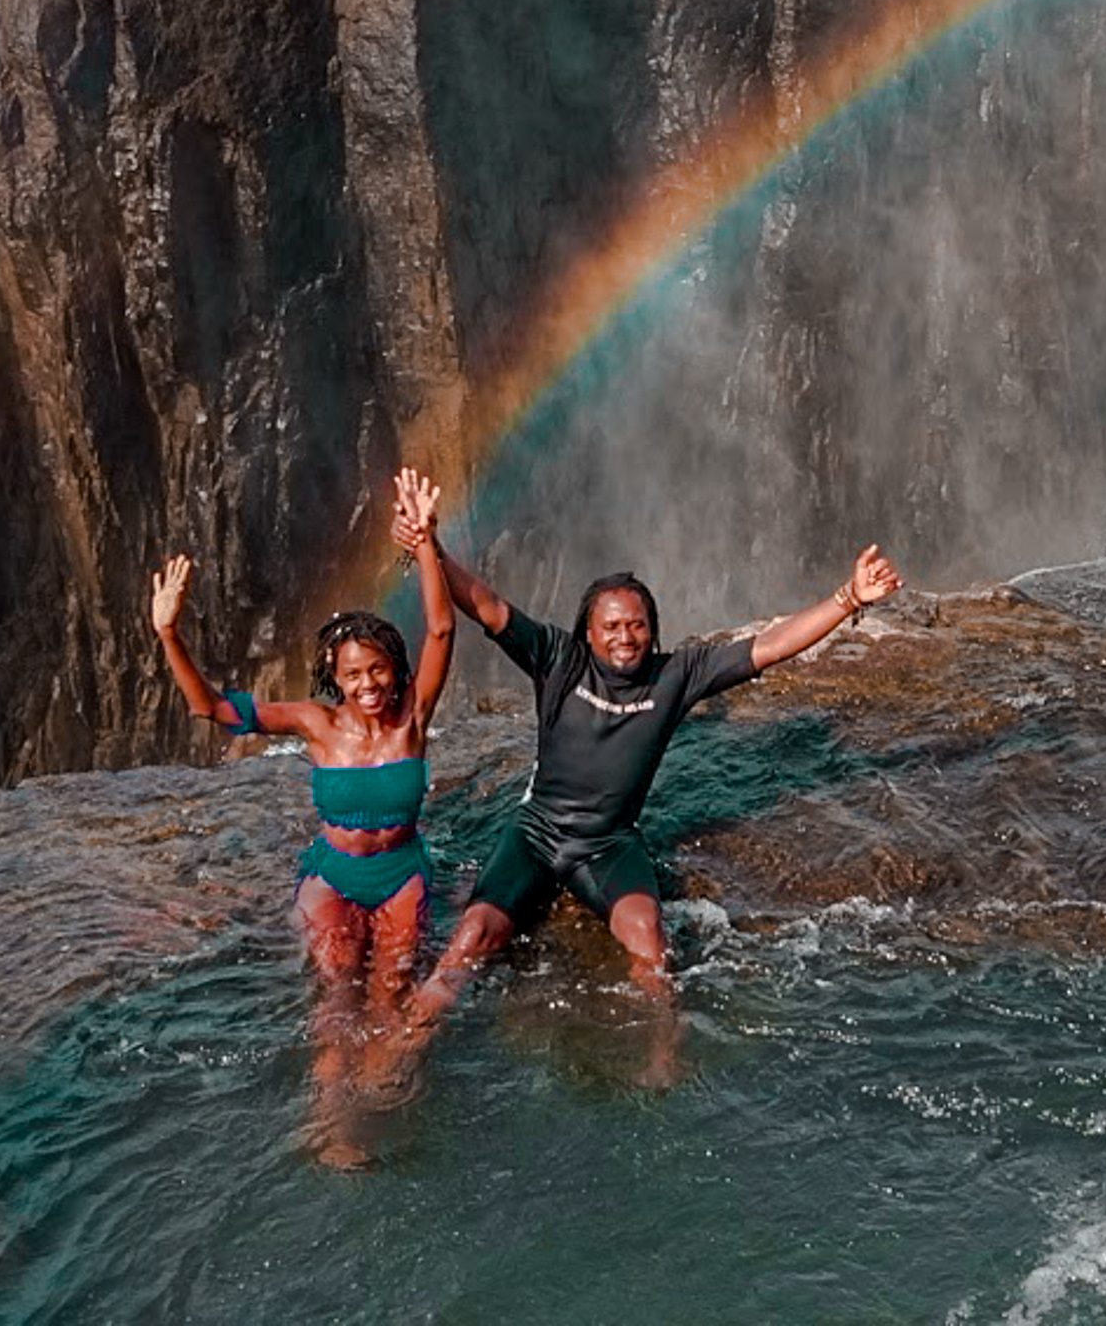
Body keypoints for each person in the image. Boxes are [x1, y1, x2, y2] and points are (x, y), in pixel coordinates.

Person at [403, 521, 902, 1078]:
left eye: (637, 625)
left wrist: (849, 598)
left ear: (653, 630)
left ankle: (663, 1056)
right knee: (473, 935)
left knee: (650, 941)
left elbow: (769, 646)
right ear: (588, 633)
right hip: (537, 834)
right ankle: (408, 1042)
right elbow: (487, 606)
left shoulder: (676, 675)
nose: (625, 636)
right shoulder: (557, 658)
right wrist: (430, 548)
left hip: (608, 843)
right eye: (611, 626)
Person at [148, 467, 453, 1165]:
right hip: (335, 875)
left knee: (390, 998)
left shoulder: (413, 716)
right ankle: (335, 1130)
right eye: (353, 674)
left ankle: (385, 1110)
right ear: (334, 679)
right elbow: (217, 713)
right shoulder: (316, 724)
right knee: (337, 996)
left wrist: (427, 543)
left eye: (377, 670)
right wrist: (169, 635)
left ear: (393, 670)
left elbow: (440, 626)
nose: (368, 685)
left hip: (402, 873)